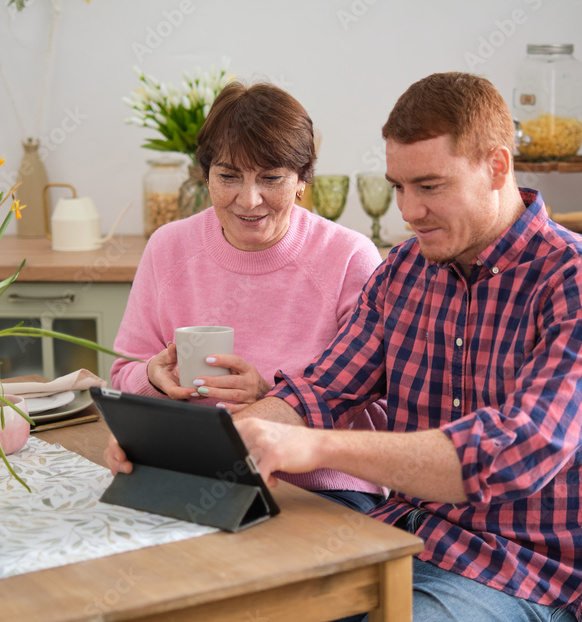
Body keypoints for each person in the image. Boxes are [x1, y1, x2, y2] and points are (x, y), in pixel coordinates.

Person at [166, 72, 582, 622]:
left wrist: (313, 447)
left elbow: (517, 452)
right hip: (394, 545)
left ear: (497, 167)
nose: (409, 211)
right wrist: (185, 451)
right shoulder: (404, 272)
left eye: (430, 186)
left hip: (516, 581)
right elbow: (319, 390)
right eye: (398, 187)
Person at [106, 81, 386, 512]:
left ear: (302, 179)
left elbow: (380, 405)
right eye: (228, 176)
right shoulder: (168, 247)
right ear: (205, 175)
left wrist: (274, 400)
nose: (249, 200)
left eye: (271, 178)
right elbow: (123, 374)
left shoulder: (349, 257)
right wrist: (153, 378)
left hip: (319, 484)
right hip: (192, 468)